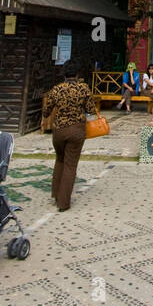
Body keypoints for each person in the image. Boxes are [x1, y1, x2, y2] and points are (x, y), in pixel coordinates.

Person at [43, 66, 93, 211]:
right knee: (70, 165)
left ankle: (55, 194)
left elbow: (46, 111)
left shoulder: (56, 89)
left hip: (59, 130)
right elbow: (90, 108)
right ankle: (63, 203)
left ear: (64, 74)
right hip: (77, 129)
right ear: (77, 74)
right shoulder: (83, 88)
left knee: (60, 159)